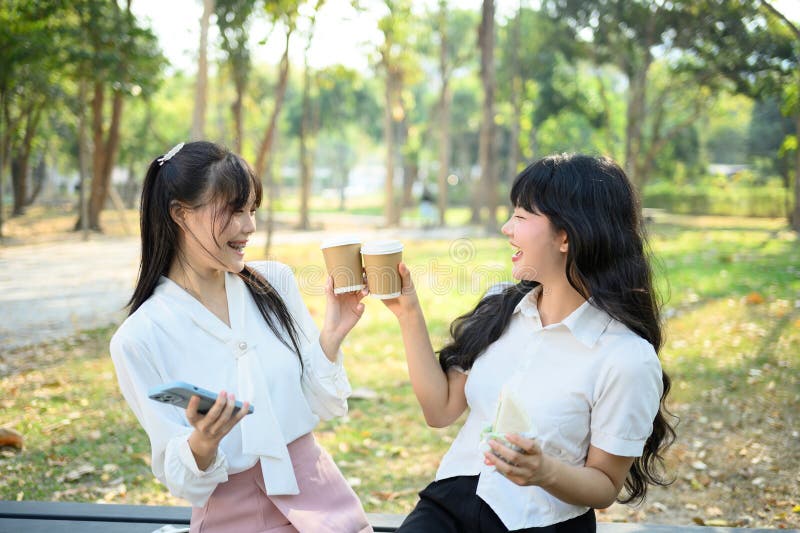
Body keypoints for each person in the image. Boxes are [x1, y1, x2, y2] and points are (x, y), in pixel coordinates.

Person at [382, 154, 675, 532]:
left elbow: (605, 485)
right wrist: (408, 312)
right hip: (448, 507)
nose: (506, 228)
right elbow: (440, 410)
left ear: (567, 236)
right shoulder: (501, 306)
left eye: (521, 216)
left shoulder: (625, 357)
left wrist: (545, 471)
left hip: (538, 522)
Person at [110, 141, 373, 533]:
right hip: (231, 515)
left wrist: (331, 336)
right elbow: (179, 477)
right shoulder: (139, 338)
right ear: (180, 214)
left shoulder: (274, 283)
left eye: (252, 210)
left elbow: (324, 404)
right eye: (234, 211)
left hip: (321, 499)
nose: (249, 226)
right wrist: (203, 442)